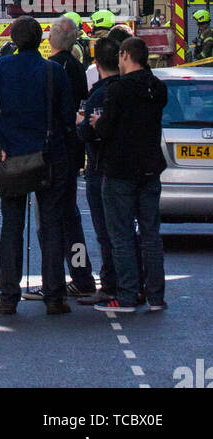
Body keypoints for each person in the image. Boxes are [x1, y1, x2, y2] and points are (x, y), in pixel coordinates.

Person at [0, 15, 76, 316]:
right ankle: (55, 297)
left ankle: (8, 297)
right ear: (41, 40)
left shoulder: (2, 68)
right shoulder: (53, 71)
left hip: (12, 157)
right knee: (52, 226)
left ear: (13, 41)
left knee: (12, 227)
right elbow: (67, 118)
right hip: (49, 155)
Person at [91, 37, 168, 313]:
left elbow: (106, 130)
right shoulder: (157, 88)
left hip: (121, 169)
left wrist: (96, 123)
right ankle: (156, 296)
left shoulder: (119, 89)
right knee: (150, 235)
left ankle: (126, 295)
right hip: (150, 168)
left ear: (124, 55)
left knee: (121, 234)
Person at [75, 36, 142, 307]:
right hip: (131, 168)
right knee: (130, 230)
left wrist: (82, 122)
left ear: (96, 62)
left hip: (101, 168)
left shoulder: (100, 94)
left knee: (107, 233)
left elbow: (86, 134)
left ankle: (112, 285)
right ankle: (137, 283)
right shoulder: (129, 89)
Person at [44, 16, 97, 300]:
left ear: (52, 39)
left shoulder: (57, 68)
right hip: (72, 152)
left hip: (58, 153)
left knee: (58, 219)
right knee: (68, 216)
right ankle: (80, 274)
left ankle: (77, 276)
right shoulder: (75, 67)